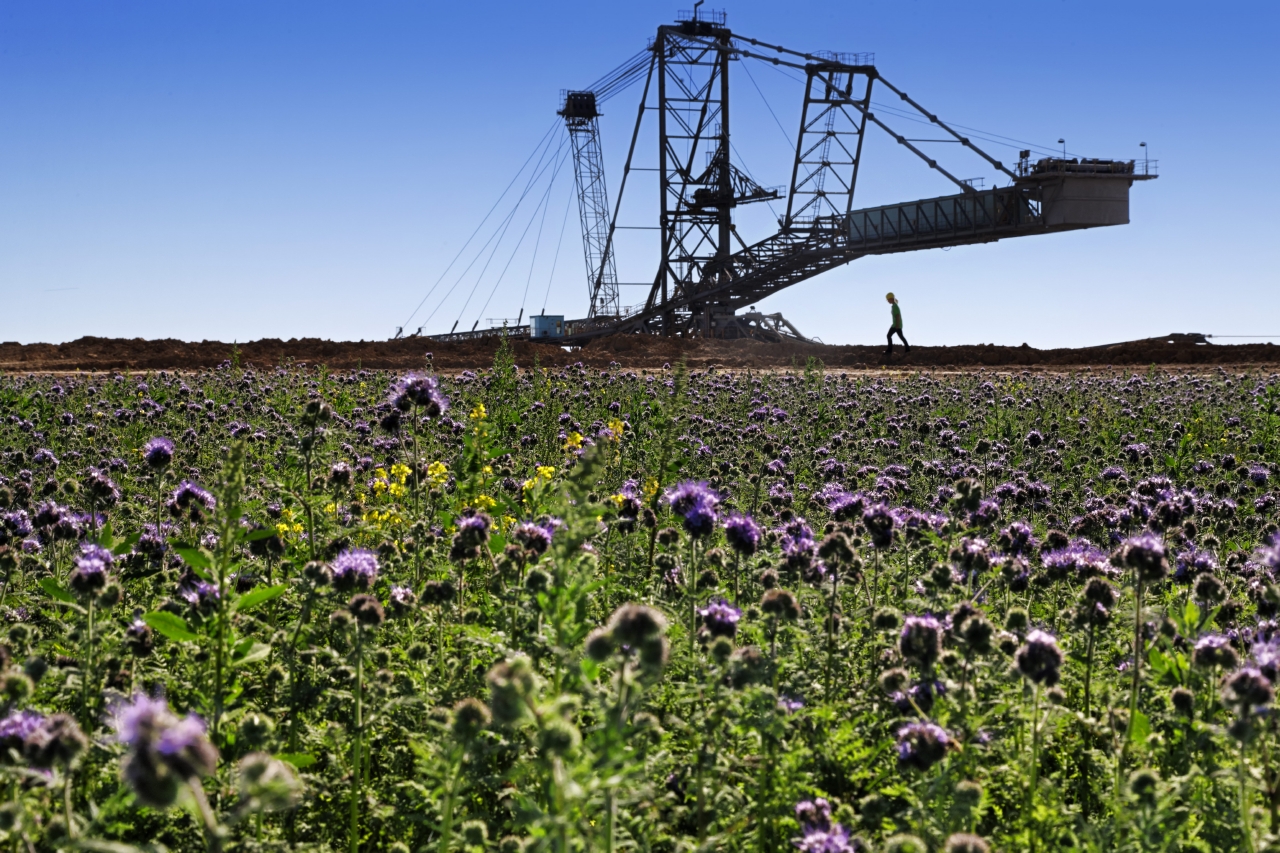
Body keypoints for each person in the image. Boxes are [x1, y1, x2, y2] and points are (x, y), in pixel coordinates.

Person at [885, 292, 910, 357]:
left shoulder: (895, 306)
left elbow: (898, 316)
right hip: (895, 325)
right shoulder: (894, 305)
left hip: (896, 325)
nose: (887, 301)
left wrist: (897, 325)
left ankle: (889, 351)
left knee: (889, 336)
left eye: (888, 300)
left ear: (891, 299)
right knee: (900, 337)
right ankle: (908, 350)